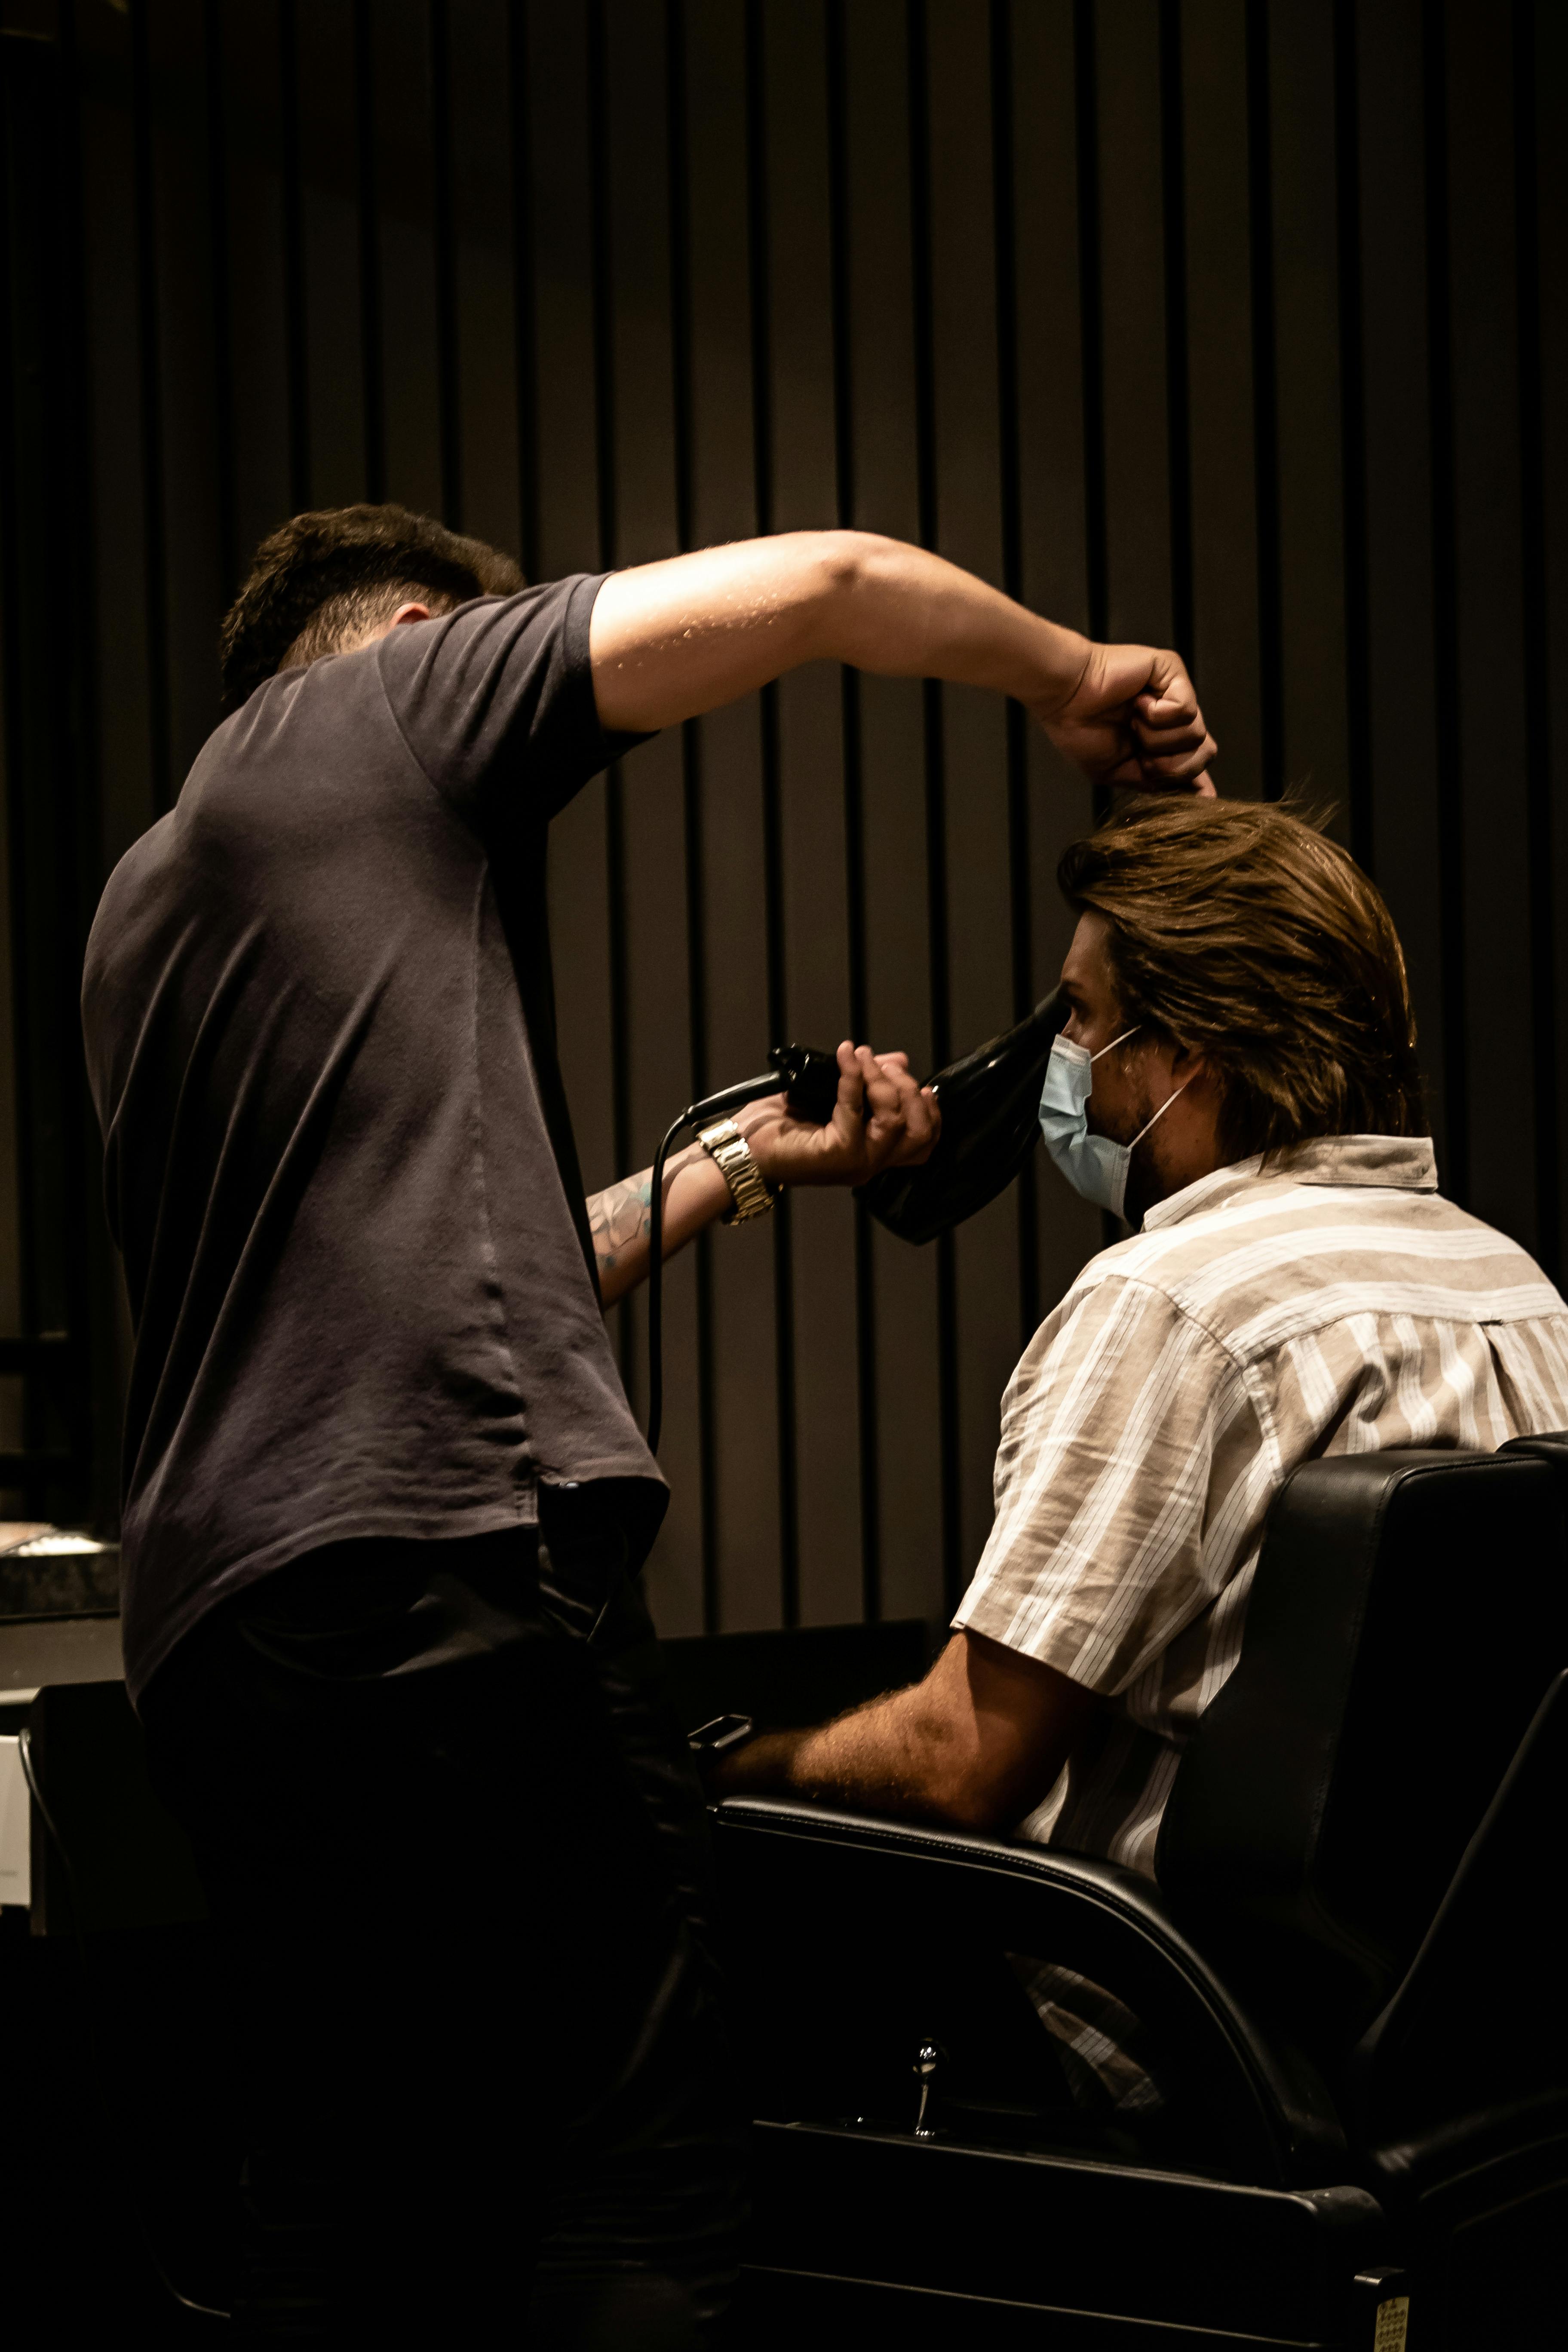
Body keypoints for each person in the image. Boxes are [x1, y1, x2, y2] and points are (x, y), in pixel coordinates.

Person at [80, 503, 1215, 2345]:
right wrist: (1071, 674)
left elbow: (437, 1272)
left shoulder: (154, 900)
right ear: (432, 634)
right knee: (634, 2183)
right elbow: (835, 586)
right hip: (454, 1582)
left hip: (226, 1652)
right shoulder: (392, 704)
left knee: (352, 2194)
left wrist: (748, 1167)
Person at [715, 796, 1568, 2103]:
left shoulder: (1173, 1304)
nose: (1063, 1057)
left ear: (1192, 1048)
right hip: (1443, 2043)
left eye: (1077, 1015)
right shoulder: (1516, 1286)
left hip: (1142, 2040)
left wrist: (729, 1768)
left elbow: (958, 1767)